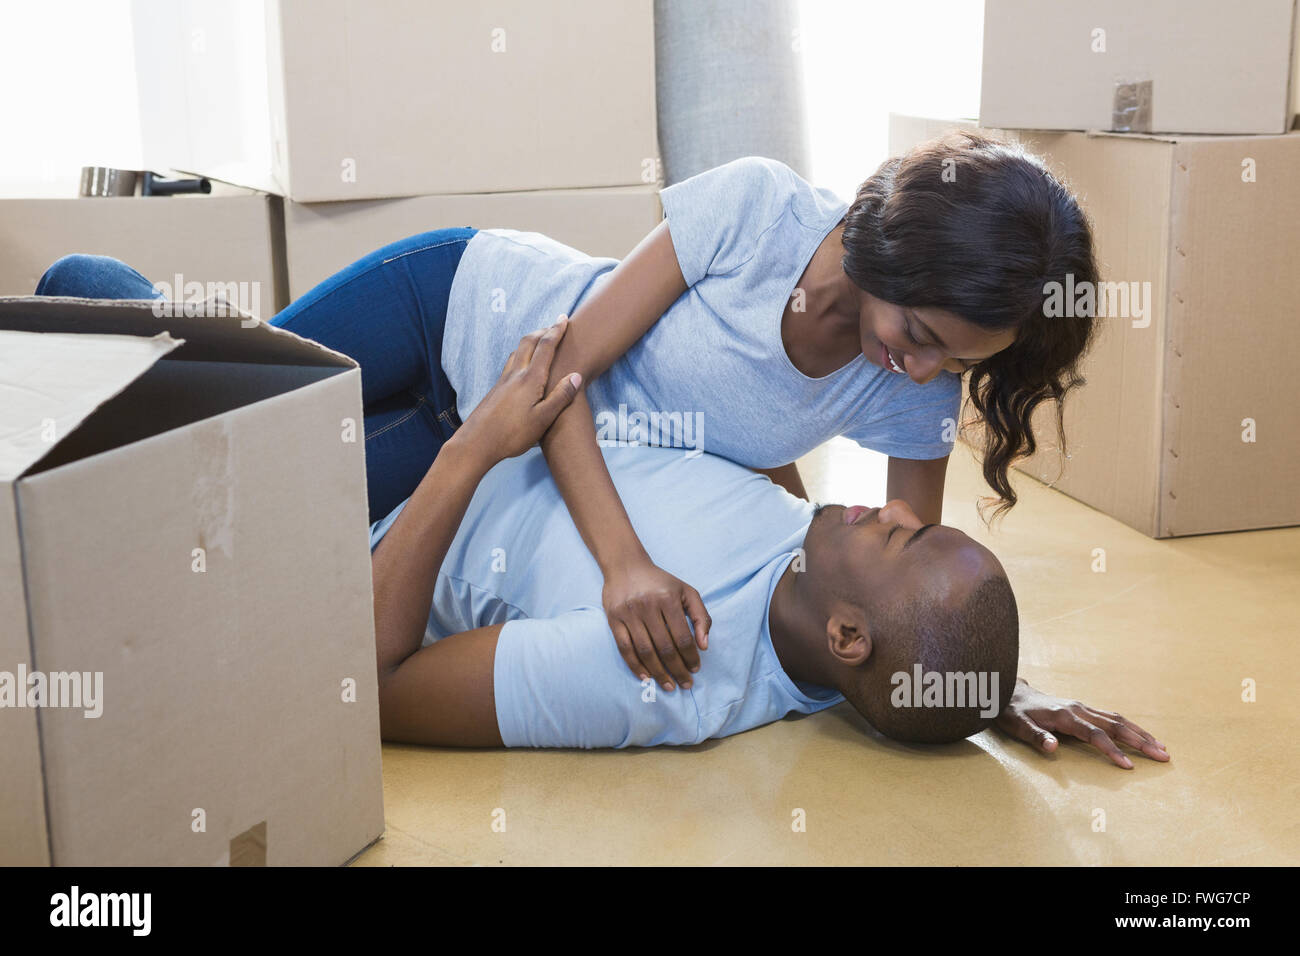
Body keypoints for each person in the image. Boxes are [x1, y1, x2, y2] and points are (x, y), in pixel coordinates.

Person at [35, 131, 1099, 695]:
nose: (919, 372)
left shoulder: (905, 386)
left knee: (225, 499)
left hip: (491, 448)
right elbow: (566, 370)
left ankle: (144, 335)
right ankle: (98, 281)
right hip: (455, 312)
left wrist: (980, 688)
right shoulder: (757, 210)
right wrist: (623, 565)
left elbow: (922, 568)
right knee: (220, 422)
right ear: (894, 252)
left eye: (953, 362)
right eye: (920, 334)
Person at [369, 318, 1167, 769]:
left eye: (901, 540)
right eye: (919, 523)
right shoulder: (805, 547)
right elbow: (916, 640)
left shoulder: (658, 667)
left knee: (244, 368)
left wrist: (470, 449)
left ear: (848, 636)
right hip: (489, 380)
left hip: (382, 498)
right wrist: (991, 693)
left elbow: (376, 684)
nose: (890, 511)